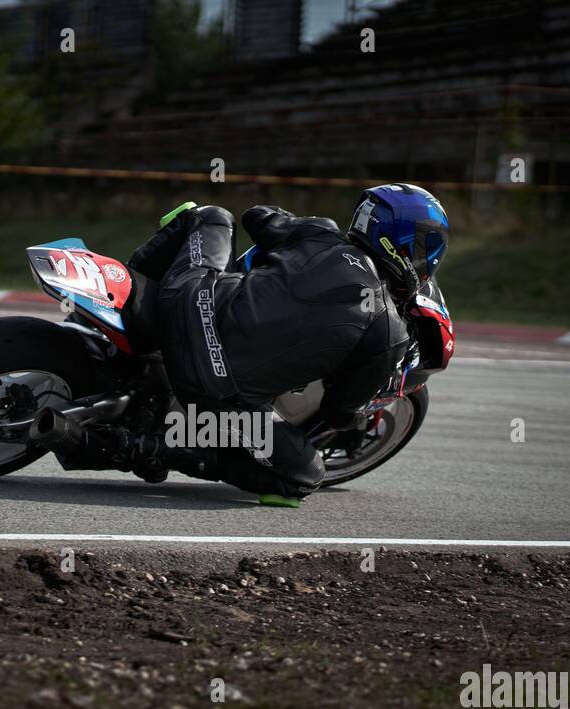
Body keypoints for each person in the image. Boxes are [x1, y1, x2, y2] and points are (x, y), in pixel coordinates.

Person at [119, 183, 453, 506]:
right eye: (426, 248)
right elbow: (339, 413)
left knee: (211, 214)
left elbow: (256, 215)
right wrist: (357, 412)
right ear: (405, 245)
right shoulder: (390, 333)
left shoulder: (319, 233)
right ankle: (152, 449)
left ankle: (129, 294)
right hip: (213, 388)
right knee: (303, 476)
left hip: (186, 301)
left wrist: (296, 225)